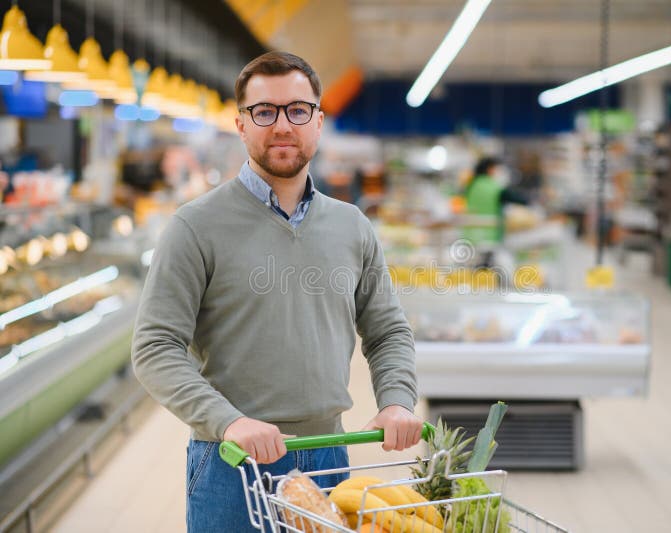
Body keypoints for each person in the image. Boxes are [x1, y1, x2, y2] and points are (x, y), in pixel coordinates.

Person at [131, 51, 421, 533]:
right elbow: (155, 347)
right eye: (264, 112)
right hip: (231, 460)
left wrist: (396, 399)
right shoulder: (195, 226)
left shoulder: (352, 227)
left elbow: (387, 330)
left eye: (297, 110)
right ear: (241, 124)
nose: (282, 125)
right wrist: (228, 421)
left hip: (328, 458)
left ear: (319, 120)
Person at [462, 157, 528, 263]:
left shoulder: (472, 185)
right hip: (488, 235)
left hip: (471, 233)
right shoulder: (491, 185)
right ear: (490, 169)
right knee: (486, 269)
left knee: (475, 269)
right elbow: (511, 197)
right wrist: (527, 201)